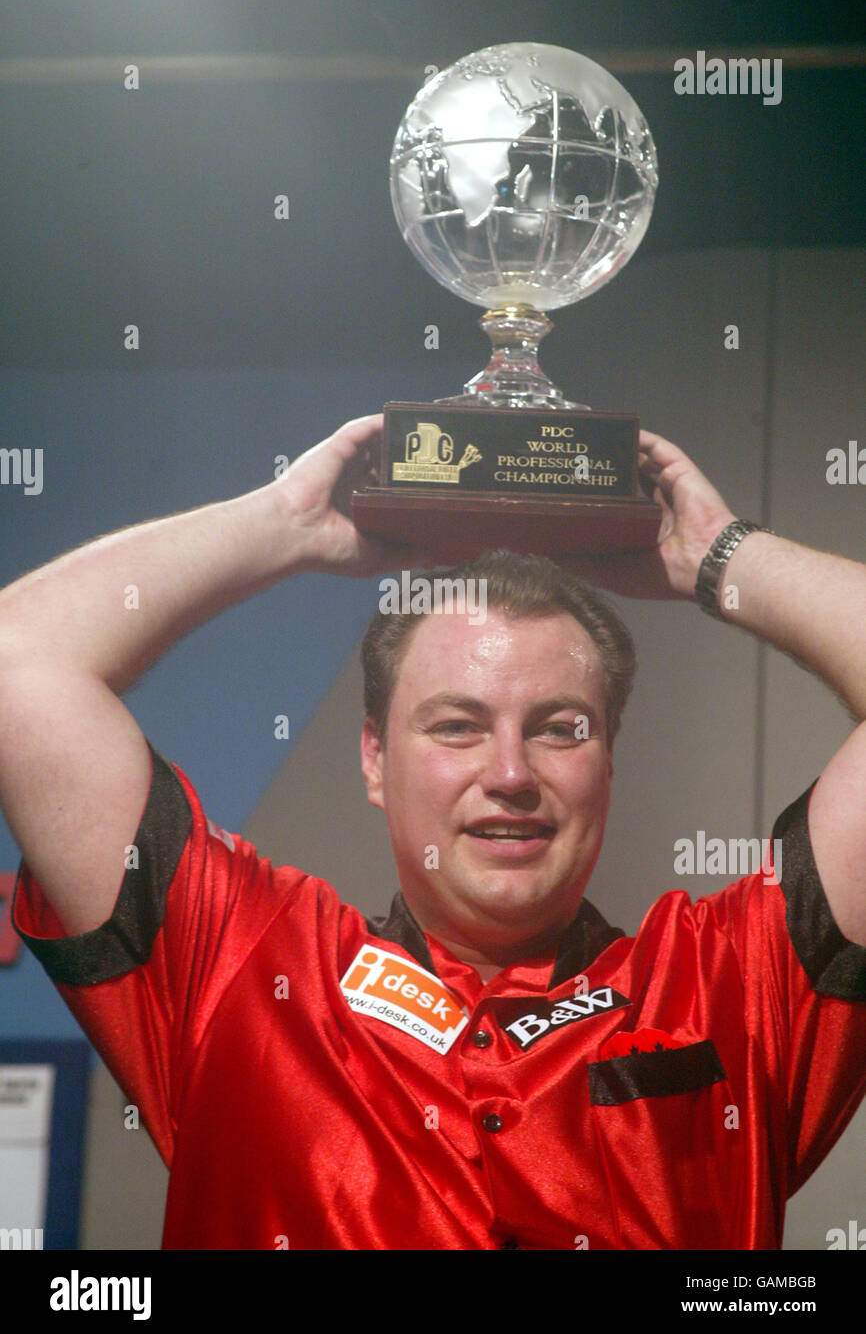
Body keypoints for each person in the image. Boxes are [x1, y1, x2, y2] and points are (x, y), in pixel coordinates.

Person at [1, 414, 865, 1250]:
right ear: (375, 759)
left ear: (610, 760)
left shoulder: (737, 985)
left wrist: (717, 555)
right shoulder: (236, 964)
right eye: (457, 726)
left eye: (561, 728)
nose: (513, 774)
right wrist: (281, 525)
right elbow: (18, 660)